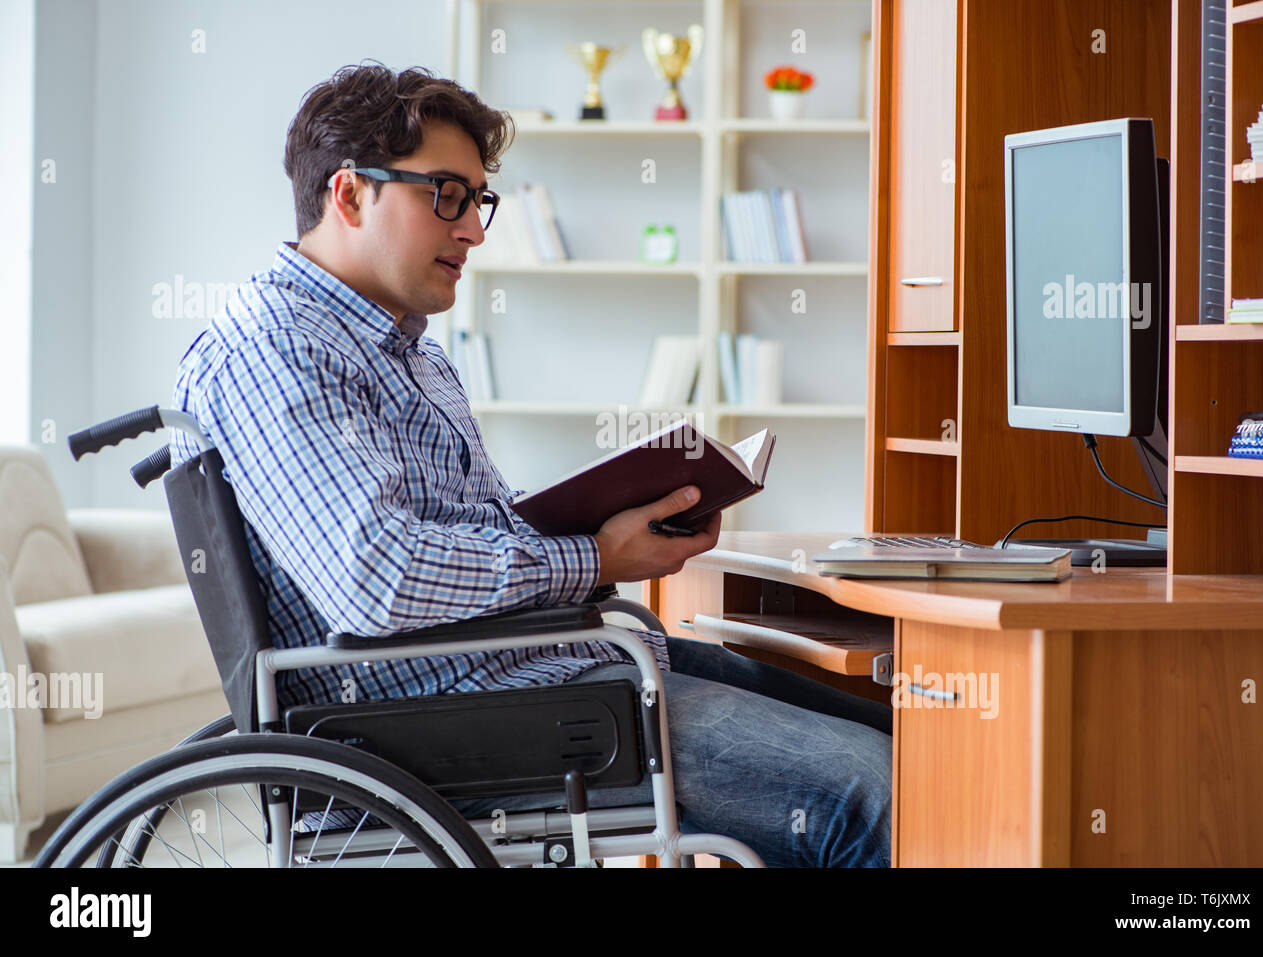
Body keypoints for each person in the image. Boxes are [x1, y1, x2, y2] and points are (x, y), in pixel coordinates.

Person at [171, 63, 892, 867]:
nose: (474, 230)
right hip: (450, 718)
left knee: (893, 726)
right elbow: (379, 576)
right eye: (446, 194)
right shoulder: (273, 349)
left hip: (535, 672)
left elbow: (460, 526)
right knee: (875, 791)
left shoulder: (407, 350)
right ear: (349, 196)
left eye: (478, 200)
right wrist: (593, 556)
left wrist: (610, 516)